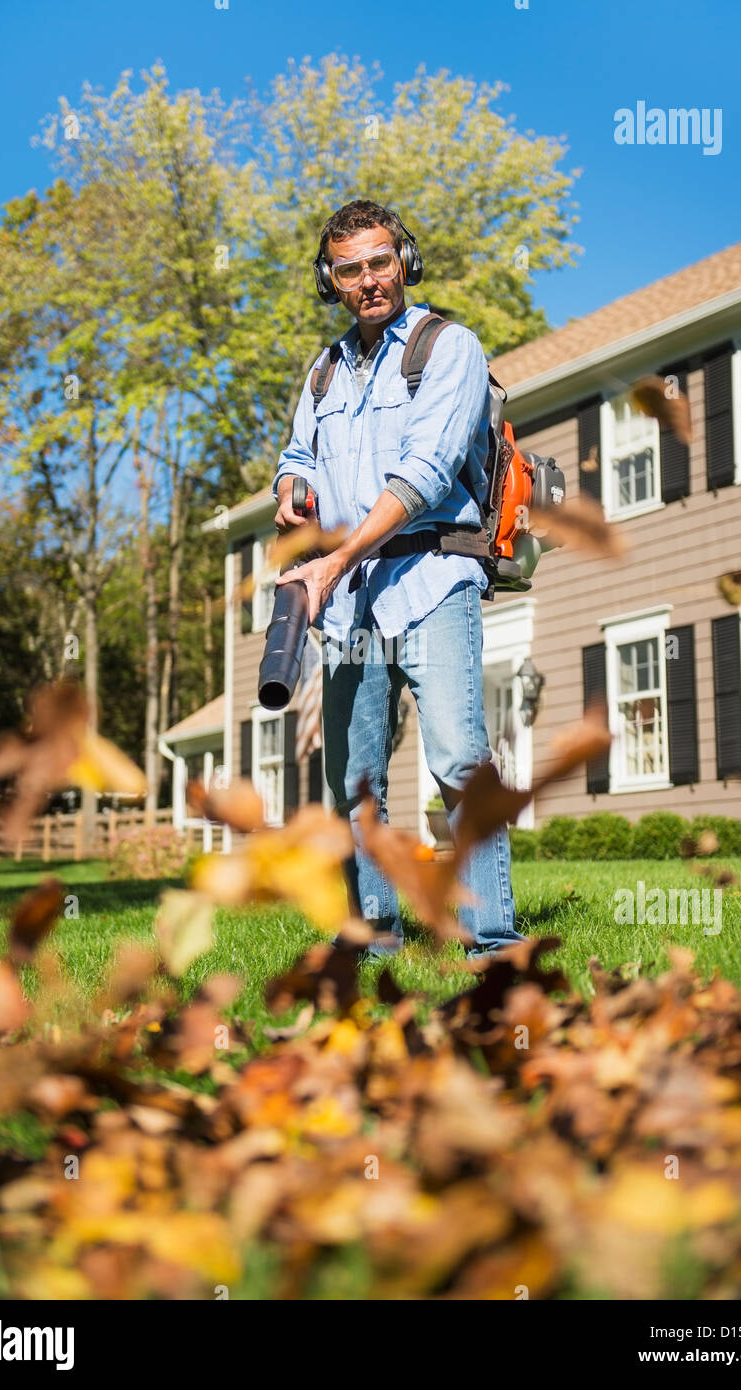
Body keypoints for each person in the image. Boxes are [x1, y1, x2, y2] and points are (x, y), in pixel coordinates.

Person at [271, 199, 521, 956]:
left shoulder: (450, 348)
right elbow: (298, 454)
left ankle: (493, 943)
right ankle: (374, 943)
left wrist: (337, 558)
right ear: (332, 280)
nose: (369, 280)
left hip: (431, 575)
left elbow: (426, 472)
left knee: (455, 756)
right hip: (348, 601)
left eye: (381, 261)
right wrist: (290, 487)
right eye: (350, 269)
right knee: (354, 778)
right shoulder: (323, 371)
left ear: (404, 261)